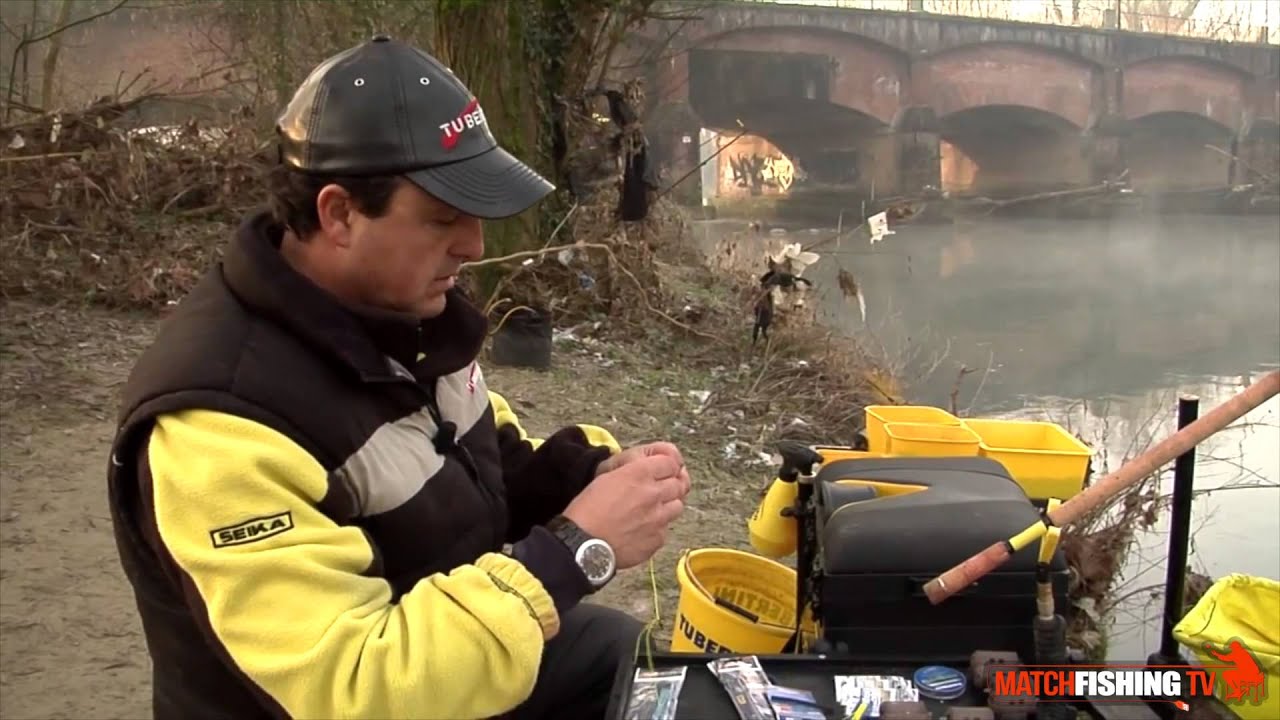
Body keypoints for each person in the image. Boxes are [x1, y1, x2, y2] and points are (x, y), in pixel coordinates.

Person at [106, 35, 690, 720]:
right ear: (340, 214)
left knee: (629, 663)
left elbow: (471, 456)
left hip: (446, 647)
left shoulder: (404, 312)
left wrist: (576, 478)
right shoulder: (220, 428)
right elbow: (356, 686)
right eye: (443, 219)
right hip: (374, 694)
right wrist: (573, 549)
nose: (473, 245)